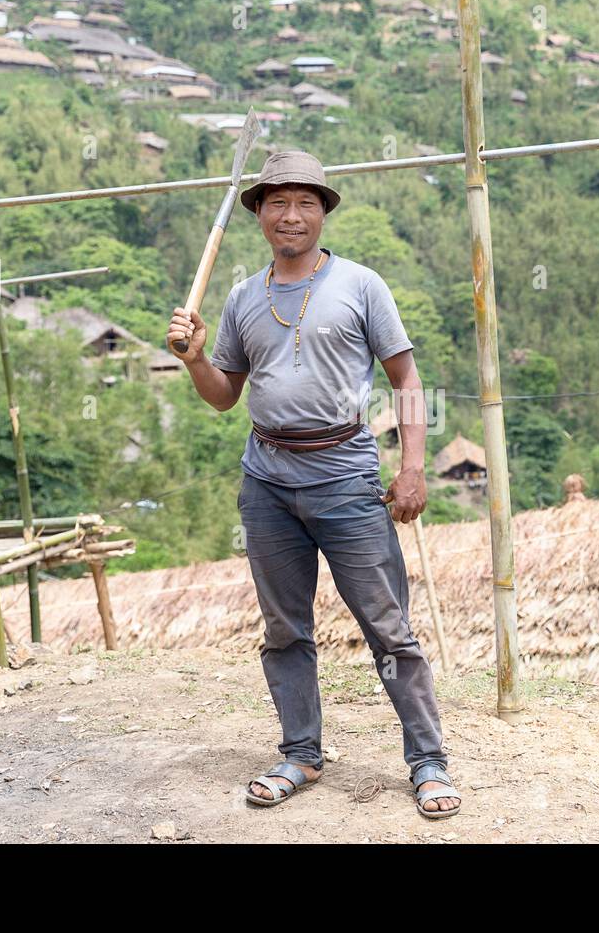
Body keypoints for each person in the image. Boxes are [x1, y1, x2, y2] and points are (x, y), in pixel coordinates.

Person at [165, 150, 461, 819]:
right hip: (266, 482)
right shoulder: (244, 297)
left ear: (322, 212)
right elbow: (222, 397)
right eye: (277, 203)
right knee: (284, 629)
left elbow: (406, 381)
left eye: (304, 202)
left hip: (347, 478)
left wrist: (411, 466)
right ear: (260, 216)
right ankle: (300, 752)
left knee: (389, 628)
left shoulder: (360, 285)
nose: (290, 214)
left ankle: (428, 762)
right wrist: (192, 359)